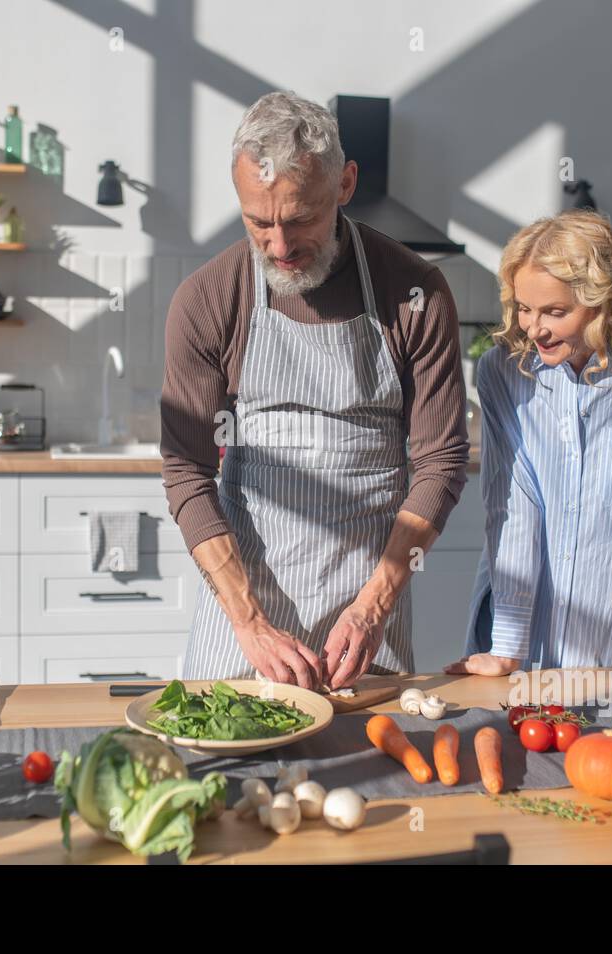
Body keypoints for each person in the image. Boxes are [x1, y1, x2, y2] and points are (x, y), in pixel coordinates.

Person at [161, 91, 468, 689]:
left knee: (369, 775)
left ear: (345, 183)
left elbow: (441, 463)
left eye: (300, 218)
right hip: (243, 617)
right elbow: (186, 473)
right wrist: (249, 622)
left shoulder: (415, 293)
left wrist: (374, 605)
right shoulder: (208, 299)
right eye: (258, 221)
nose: (278, 246)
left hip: (368, 611)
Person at [448, 209, 612, 676]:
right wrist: (508, 644)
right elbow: (513, 506)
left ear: (605, 302)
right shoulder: (504, 374)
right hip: (532, 636)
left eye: (555, 311)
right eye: (525, 308)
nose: (533, 328)